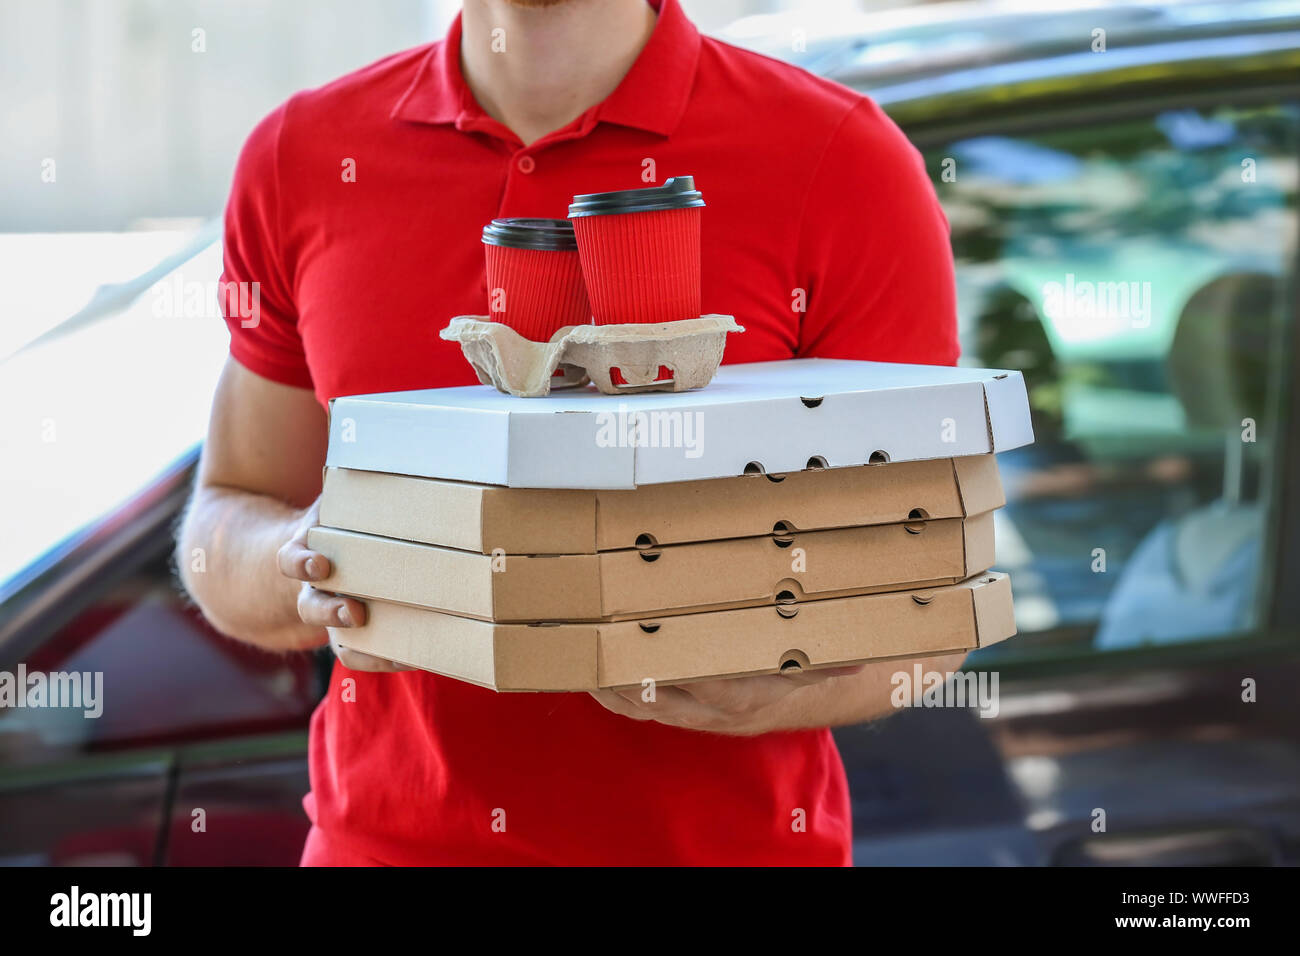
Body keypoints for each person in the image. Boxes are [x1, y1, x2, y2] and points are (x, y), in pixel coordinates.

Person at [178, 0, 964, 866]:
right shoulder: (304, 154)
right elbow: (227, 519)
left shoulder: (837, 156)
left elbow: (931, 612)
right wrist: (307, 557)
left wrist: (770, 699)